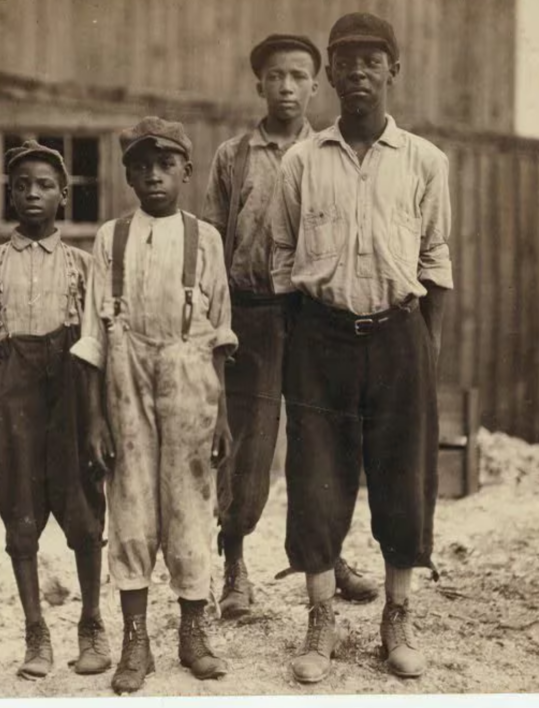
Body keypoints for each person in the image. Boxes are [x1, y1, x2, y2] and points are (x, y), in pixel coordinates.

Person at [267, 12, 453, 683]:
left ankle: (397, 616)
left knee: (405, 478)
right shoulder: (300, 161)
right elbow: (282, 261)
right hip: (320, 337)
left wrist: (425, 355)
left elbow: (435, 263)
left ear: (392, 71)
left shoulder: (427, 162)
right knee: (316, 478)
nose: (356, 74)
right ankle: (319, 623)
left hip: (399, 335)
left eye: (370, 61)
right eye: (344, 62)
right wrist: (300, 346)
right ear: (331, 74)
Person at [202, 34, 379, 619]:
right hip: (249, 315)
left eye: (298, 76)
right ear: (259, 84)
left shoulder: (331, 153)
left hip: (311, 319)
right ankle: (234, 567)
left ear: (316, 83)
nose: (286, 87)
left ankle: (327, 556)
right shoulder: (234, 156)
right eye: (275, 76)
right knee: (247, 446)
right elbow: (209, 242)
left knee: (322, 441)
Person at [73, 117, 235, 694]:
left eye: (165, 164)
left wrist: (221, 414)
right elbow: (93, 333)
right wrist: (95, 417)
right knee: (132, 501)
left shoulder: (205, 239)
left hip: (190, 368)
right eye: (141, 166)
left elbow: (219, 331)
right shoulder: (109, 237)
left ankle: (193, 632)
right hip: (125, 368)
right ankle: (135, 639)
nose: (153, 176)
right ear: (127, 175)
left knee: (190, 501)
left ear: (187, 171)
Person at [0, 141, 110, 680]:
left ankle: (92, 621)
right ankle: (35, 631)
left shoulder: (84, 266)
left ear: (64, 195)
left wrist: (98, 421)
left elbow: (97, 349)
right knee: (19, 514)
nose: (32, 194)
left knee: (85, 510)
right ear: (9, 194)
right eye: (21, 186)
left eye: (44, 185)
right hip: (14, 401)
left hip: (69, 398)